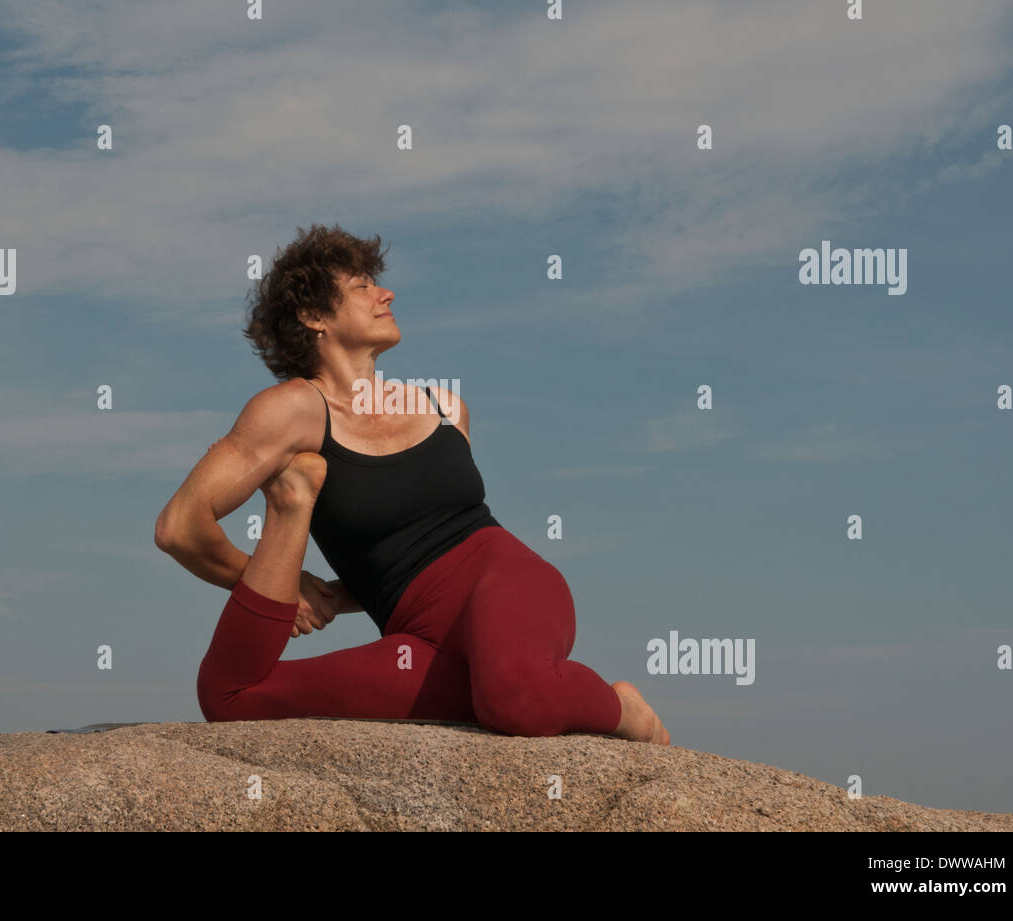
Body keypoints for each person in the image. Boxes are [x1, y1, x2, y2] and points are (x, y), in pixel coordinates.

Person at [155, 223, 669, 743]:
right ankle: (291, 507)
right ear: (313, 316)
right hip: (416, 641)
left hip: (504, 583)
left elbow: (425, 535)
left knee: (517, 697)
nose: (387, 294)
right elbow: (180, 526)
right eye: (362, 286)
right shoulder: (290, 411)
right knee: (232, 699)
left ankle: (625, 709)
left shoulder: (444, 408)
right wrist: (287, 583)